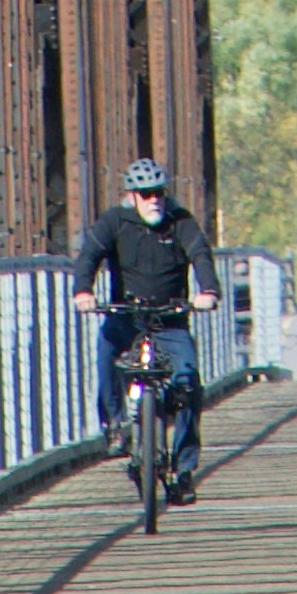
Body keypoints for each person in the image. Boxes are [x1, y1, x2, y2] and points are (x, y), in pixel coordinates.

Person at [70, 155, 220, 496]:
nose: (154, 199)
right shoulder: (114, 222)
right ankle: (116, 425)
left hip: (170, 320)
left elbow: (200, 255)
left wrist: (208, 290)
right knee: (108, 350)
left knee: (188, 384)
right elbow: (89, 258)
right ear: (132, 196)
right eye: (146, 193)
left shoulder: (180, 222)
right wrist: (83, 291)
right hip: (127, 316)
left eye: (159, 192)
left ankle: (183, 471)